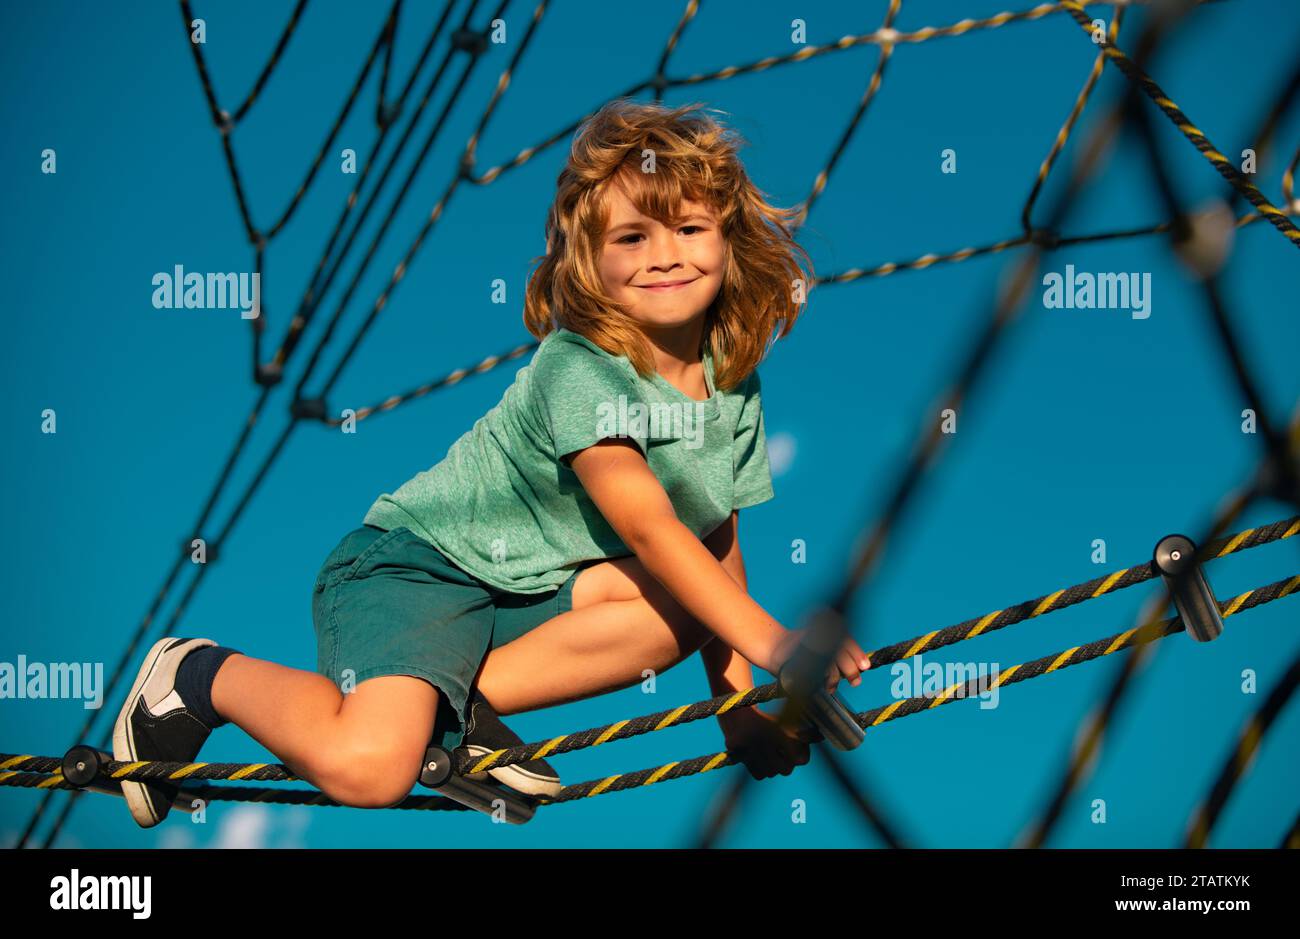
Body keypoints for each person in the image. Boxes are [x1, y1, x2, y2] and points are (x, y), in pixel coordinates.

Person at [112, 97, 871, 828]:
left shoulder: (730, 382)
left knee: (690, 600)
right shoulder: (580, 368)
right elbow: (648, 525)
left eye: (689, 227)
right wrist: (778, 645)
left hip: (524, 602)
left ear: (727, 240)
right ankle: (198, 675)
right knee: (373, 766)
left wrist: (738, 713)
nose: (665, 254)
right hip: (412, 571)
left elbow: (714, 542)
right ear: (588, 263)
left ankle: (456, 712)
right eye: (632, 237)